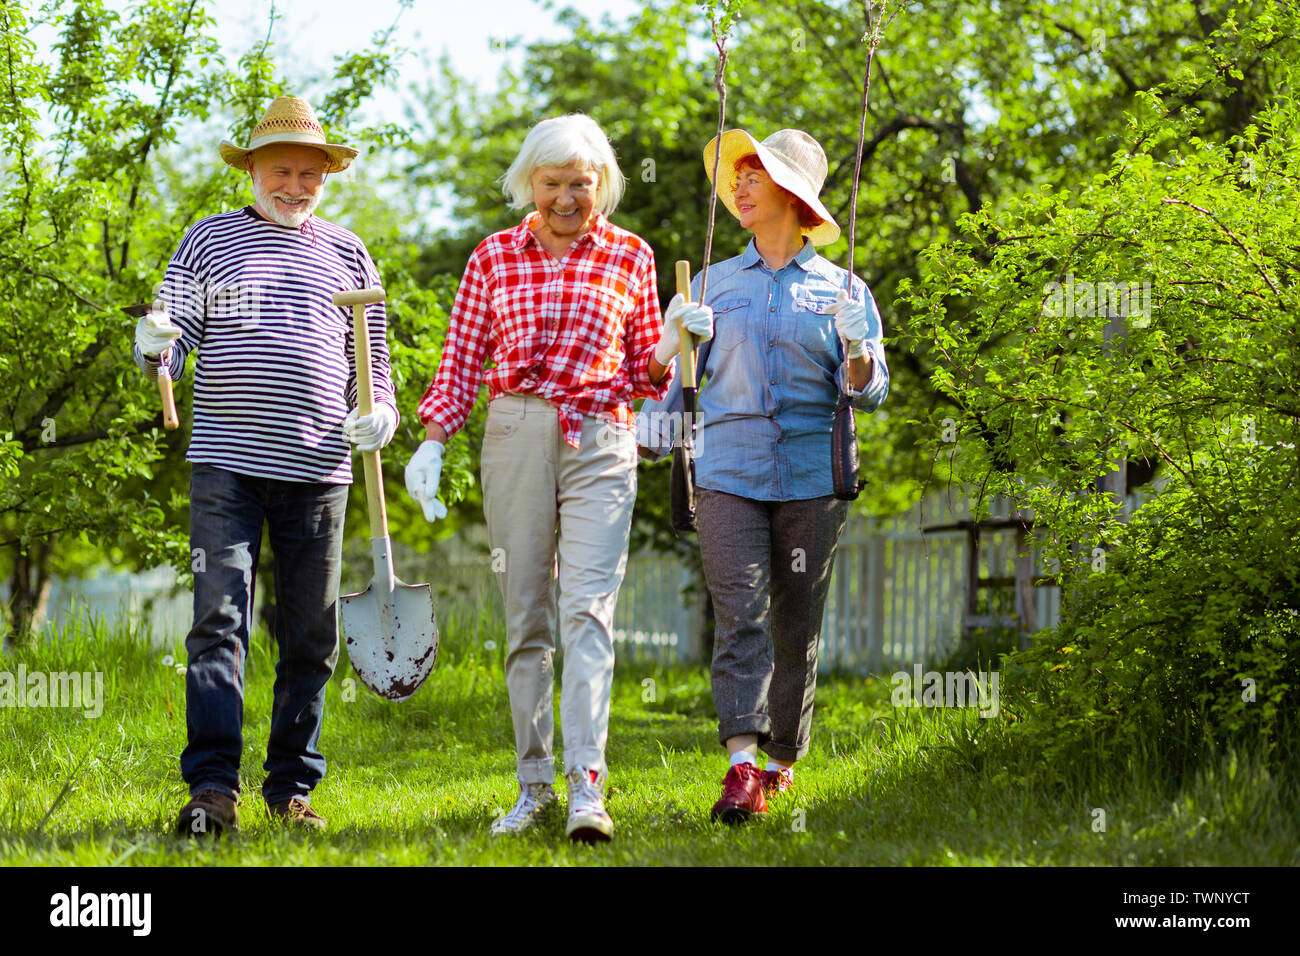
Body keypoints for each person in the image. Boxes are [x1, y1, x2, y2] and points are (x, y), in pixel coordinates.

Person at [405, 113, 711, 842]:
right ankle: (532, 784)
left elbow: (641, 372)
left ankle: (586, 788)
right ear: (527, 184)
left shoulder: (631, 256)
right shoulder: (491, 258)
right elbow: (460, 359)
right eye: (553, 184)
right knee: (528, 616)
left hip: (603, 434)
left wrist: (671, 342)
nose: (568, 198)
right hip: (515, 431)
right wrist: (433, 441)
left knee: (588, 612)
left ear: (600, 183)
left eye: (582, 183)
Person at [132, 96, 400, 836]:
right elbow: (171, 331)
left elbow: (370, 358)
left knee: (312, 633)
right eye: (281, 170)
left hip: (320, 469)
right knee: (219, 620)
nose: (294, 185)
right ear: (251, 167)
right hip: (227, 465)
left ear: (325, 176)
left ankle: (291, 790)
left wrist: (382, 413)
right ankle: (213, 789)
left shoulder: (348, 252)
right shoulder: (210, 241)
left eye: (309, 174)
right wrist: (154, 342)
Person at [638, 128, 889, 823]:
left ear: (793, 195)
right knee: (739, 617)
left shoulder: (842, 288)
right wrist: (663, 367)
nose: (739, 187)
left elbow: (867, 390)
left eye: (756, 176)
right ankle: (741, 767)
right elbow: (674, 390)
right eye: (739, 176)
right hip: (727, 474)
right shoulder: (712, 284)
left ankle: (782, 762)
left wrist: (858, 346)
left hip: (813, 476)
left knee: (797, 625)